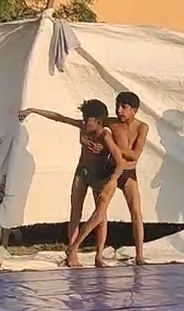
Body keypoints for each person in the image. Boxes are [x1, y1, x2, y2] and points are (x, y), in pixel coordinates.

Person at [19, 99, 128, 267]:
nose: (84, 123)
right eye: (83, 119)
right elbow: (59, 117)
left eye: (88, 120)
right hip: (83, 171)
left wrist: (111, 180)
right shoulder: (83, 126)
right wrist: (34, 110)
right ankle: (72, 253)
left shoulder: (105, 135)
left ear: (98, 121)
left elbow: (120, 162)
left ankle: (98, 255)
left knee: (101, 216)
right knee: (75, 212)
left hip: (99, 176)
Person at [80, 91, 149, 264]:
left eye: (124, 107)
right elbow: (85, 126)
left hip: (128, 171)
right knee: (100, 213)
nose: (119, 111)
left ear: (134, 110)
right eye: (117, 106)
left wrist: (112, 148)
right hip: (112, 169)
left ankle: (140, 255)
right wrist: (84, 140)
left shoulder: (142, 127)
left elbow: (135, 155)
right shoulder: (111, 122)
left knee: (136, 212)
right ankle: (98, 254)